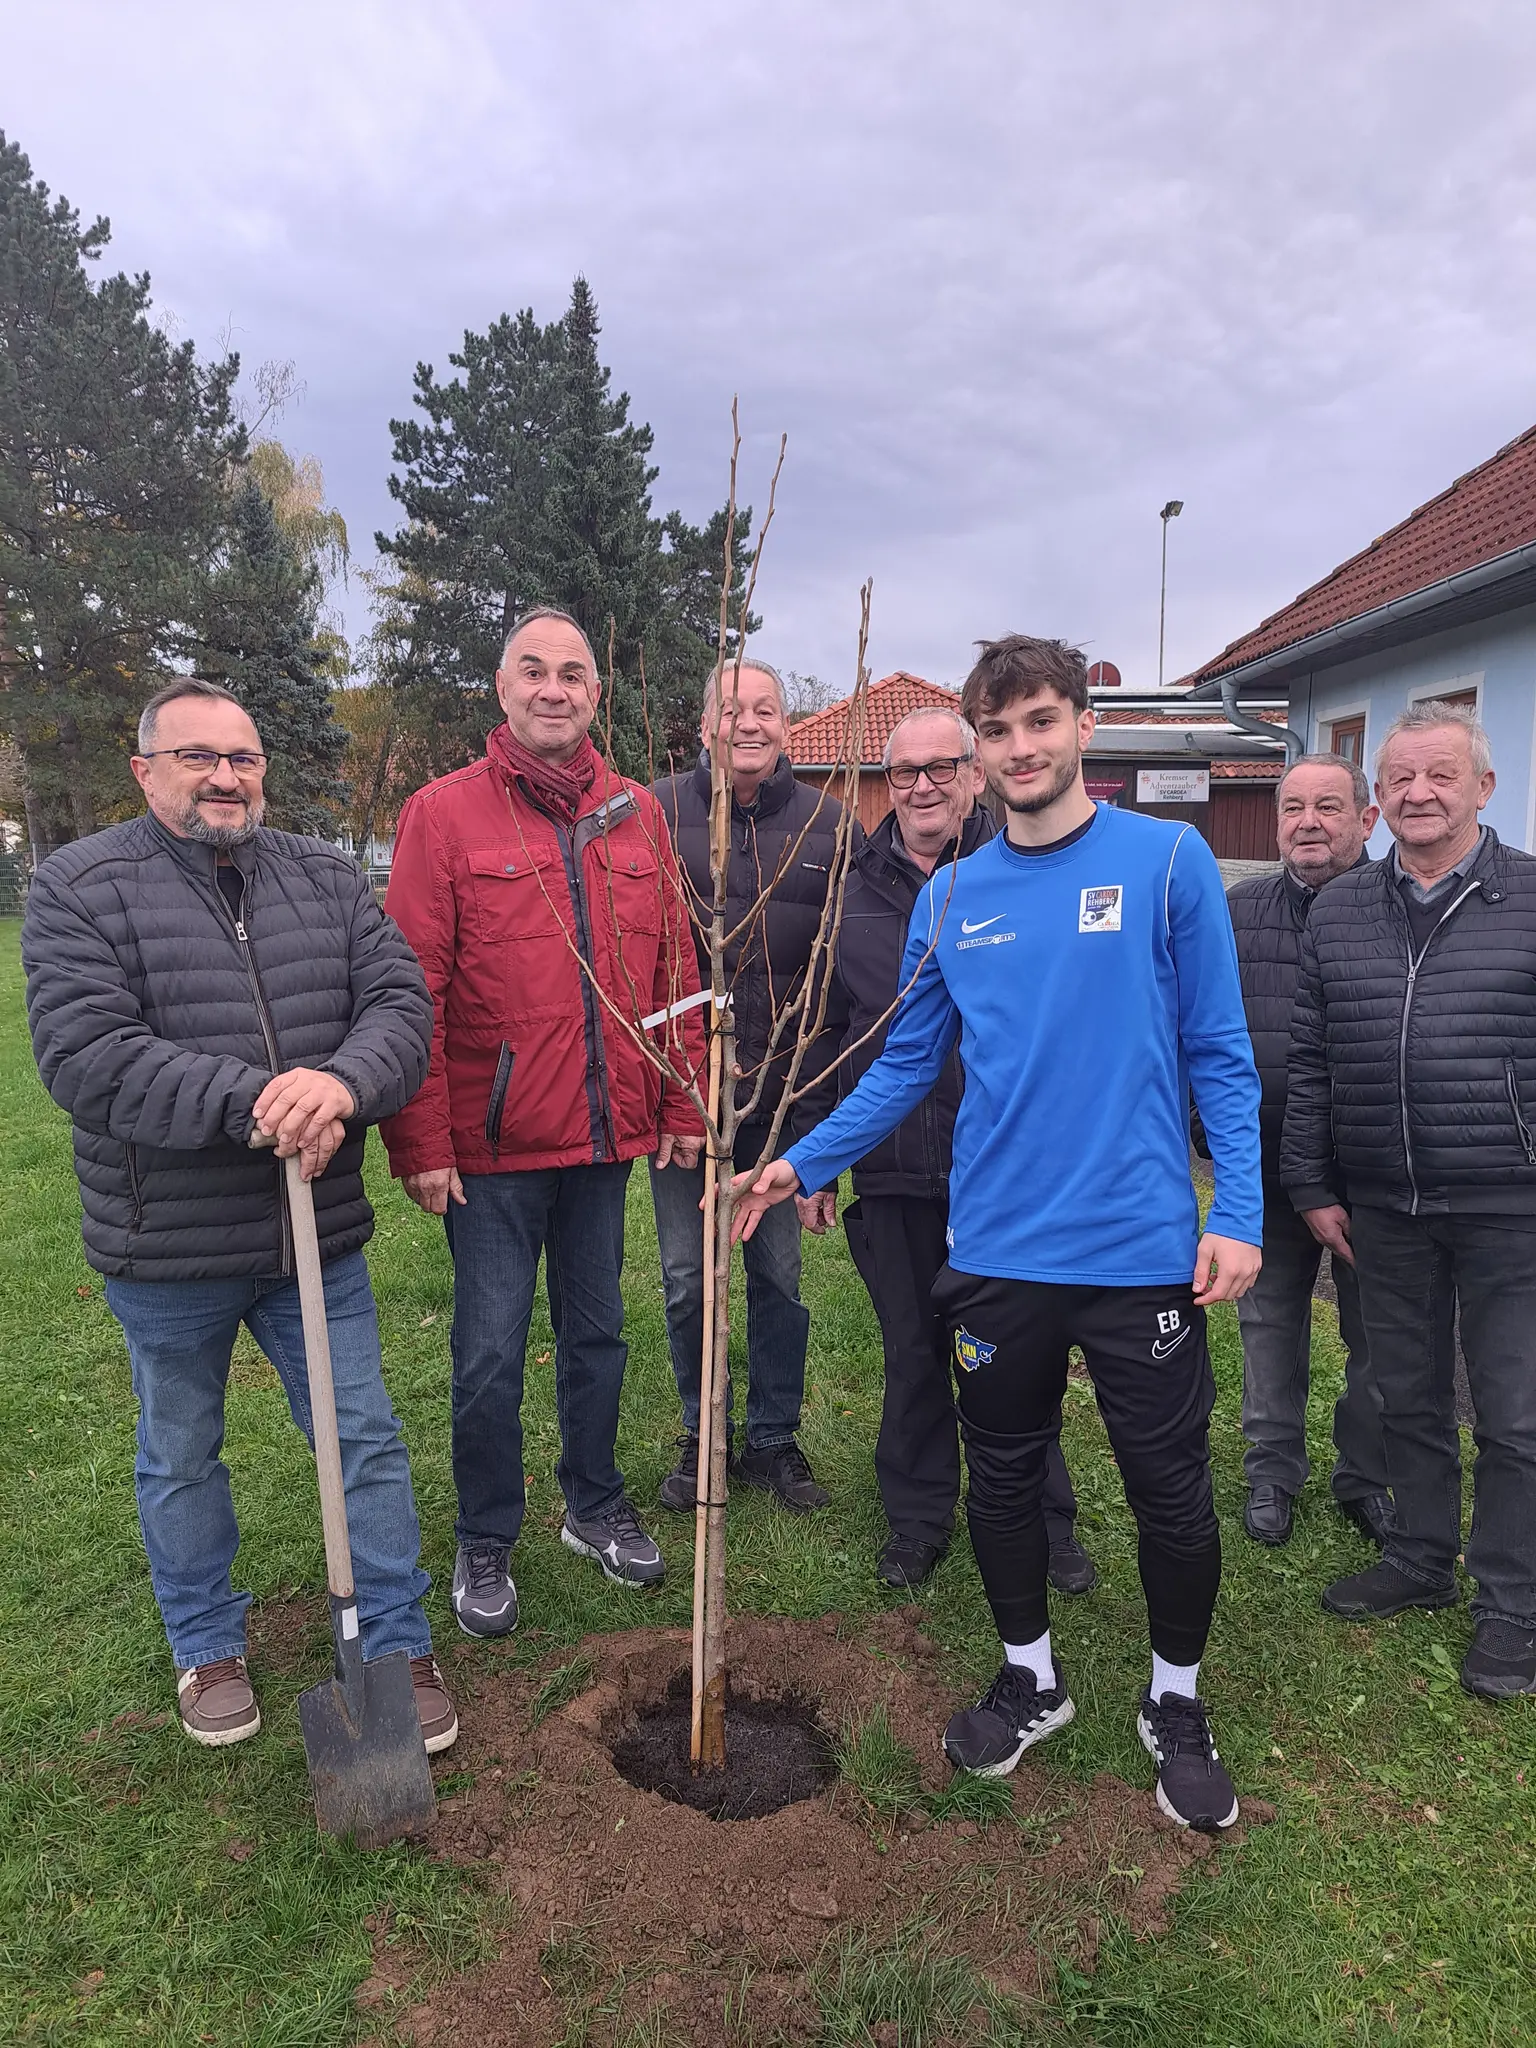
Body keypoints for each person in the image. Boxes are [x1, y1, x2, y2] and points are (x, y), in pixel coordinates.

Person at [734, 634, 1263, 1832]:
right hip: (997, 1255)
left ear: (1082, 725)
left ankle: (1175, 1698)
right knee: (1005, 1479)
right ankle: (1032, 1673)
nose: (1018, 747)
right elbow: (907, 1063)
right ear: (978, 749)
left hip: (1138, 1255)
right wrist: (804, 1155)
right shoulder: (953, 896)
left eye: (1037, 722)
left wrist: (1235, 1207)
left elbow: (1220, 1053)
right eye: (998, 727)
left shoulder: (1169, 862)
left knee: (1170, 1493)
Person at [22, 679, 456, 1753]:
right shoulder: (80, 886)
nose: (225, 775)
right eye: (197, 756)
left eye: (243, 756)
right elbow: (85, 1054)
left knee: (360, 1437)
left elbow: (401, 1005)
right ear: (145, 770)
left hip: (320, 1227)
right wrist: (261, 1103)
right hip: (166, 1242)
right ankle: (206, 1640)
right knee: (180, 1447)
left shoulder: (324, 876)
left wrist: (344, 1084)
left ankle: (395, 1640)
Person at [381, 608, 705, 1634]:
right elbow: (409, 989)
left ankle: (595, 1503)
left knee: (599, 1332)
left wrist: (684, 1094)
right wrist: (422, 1141)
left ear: (595, 695)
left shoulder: (635, 814)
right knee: (486, 1351)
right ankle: (486, 1535)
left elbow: (673, 971)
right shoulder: (444, 815)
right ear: (502, 686)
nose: (554, 687)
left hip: (605, 1137)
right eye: (535, 670)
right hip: (493, 1150)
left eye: (573, 673)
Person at [799, 703, 1097, 1595]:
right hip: (893, 1168)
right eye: (904, 774)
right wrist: (813, 1158)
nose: (923, 787)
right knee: (916, 1350)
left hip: (1007, 1174)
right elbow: (826, 1034)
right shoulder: (849, 895)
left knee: (1022, 1351)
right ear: (885, 786)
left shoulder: (1020, 874)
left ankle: (1047, 1523)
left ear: (975, 774)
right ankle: (919, 1519)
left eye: (942, 768)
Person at [1285, 699, 1536, 1698]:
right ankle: (1424, 1557)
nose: (1418, 793)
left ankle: (1513, 1601)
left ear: (1483, 786)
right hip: (1382, 1203)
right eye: (1400, 779)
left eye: (1440, 775)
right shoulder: (1343, 906)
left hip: (1512, 1204)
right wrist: (1311, 1180)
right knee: (1407, 1391)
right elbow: (1310, 1056)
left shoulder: (1528, 896)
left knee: (1516, 1413)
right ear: (1378, 799)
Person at [648, 658, 846, 1515]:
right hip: (686, 1099)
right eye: (733, 711)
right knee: (690, 1277)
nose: (751, 723)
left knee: (776, 1278)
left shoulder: (829, 826)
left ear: (786, 725)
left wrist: (817, 1145)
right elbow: (640, 961)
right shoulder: (654, 815)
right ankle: (705, 1434)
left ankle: (770, 1436)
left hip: (780, 1103)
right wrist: (677, 1077)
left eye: (767, 709)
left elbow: (840, 988)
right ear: (704, 726)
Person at [1224, 754, 1392, 1547]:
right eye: (1293, 807)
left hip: (1372, 1173)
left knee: (1380, 1335)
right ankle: (1271, 1474)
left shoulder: (1399, 910)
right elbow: (1199, 1034)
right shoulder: (1238, 912)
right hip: (1262, 1164)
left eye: (1329, 806)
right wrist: (1207, 1130)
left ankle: (1366, 1476)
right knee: (1268, 1328)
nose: (1308, 822)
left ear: (1368, 818)